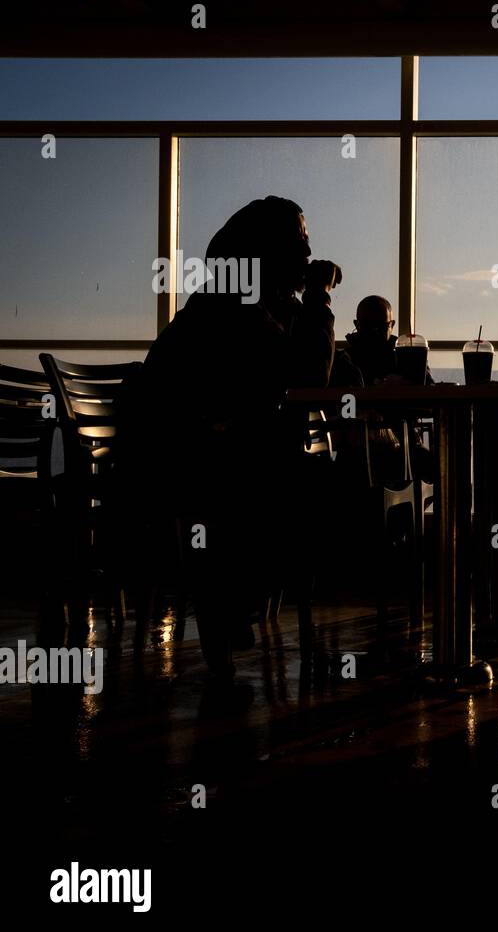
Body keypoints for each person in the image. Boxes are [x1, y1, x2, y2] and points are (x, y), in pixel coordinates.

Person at [122, 195, 341, 676]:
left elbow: (301, 369)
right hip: (179, 464)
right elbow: (307, 371)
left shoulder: (243, 300)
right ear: (265, 252)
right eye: (298, 244)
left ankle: (239, 603)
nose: (308, 255)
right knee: (293, 477)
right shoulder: (235, 305)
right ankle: (236, 605)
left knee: (292, 470)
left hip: (198, 453)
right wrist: (320, 298)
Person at [330, 295, 435, 484]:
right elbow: (430, 401)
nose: (375, 332)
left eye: (380, 326)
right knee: (447, 472)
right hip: (391, 448)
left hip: (368, 452)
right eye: (368, 327)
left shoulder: (345, 359)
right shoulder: (345, 361)